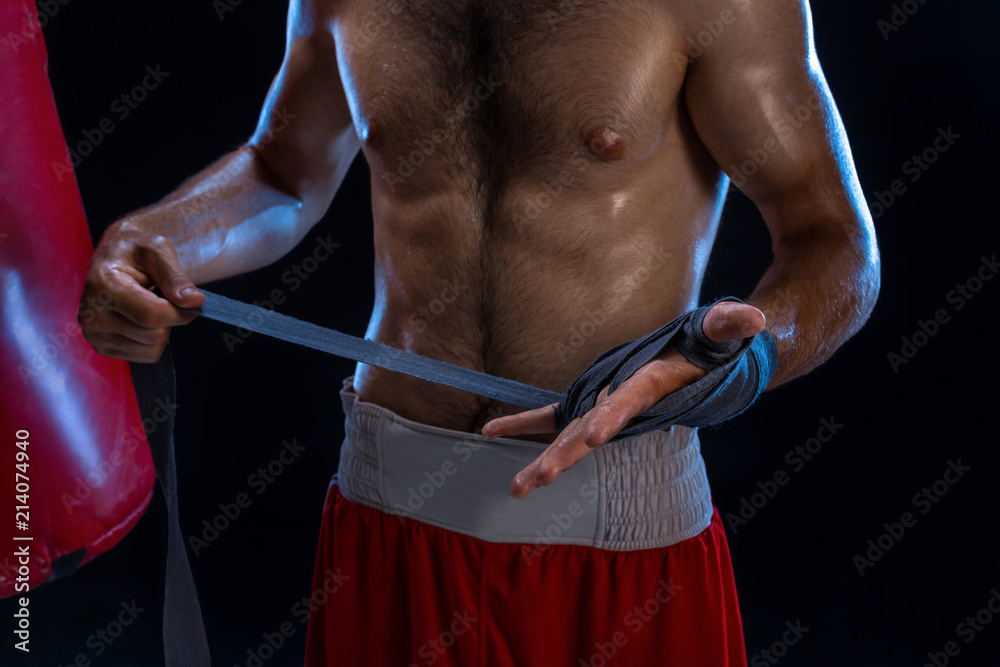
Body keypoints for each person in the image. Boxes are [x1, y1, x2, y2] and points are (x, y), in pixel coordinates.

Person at [79, 0, 880, 663]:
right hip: (388, 513)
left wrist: (736, 363)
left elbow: (832, 236)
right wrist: (155, 239)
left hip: (616, 532)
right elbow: (282, 173)